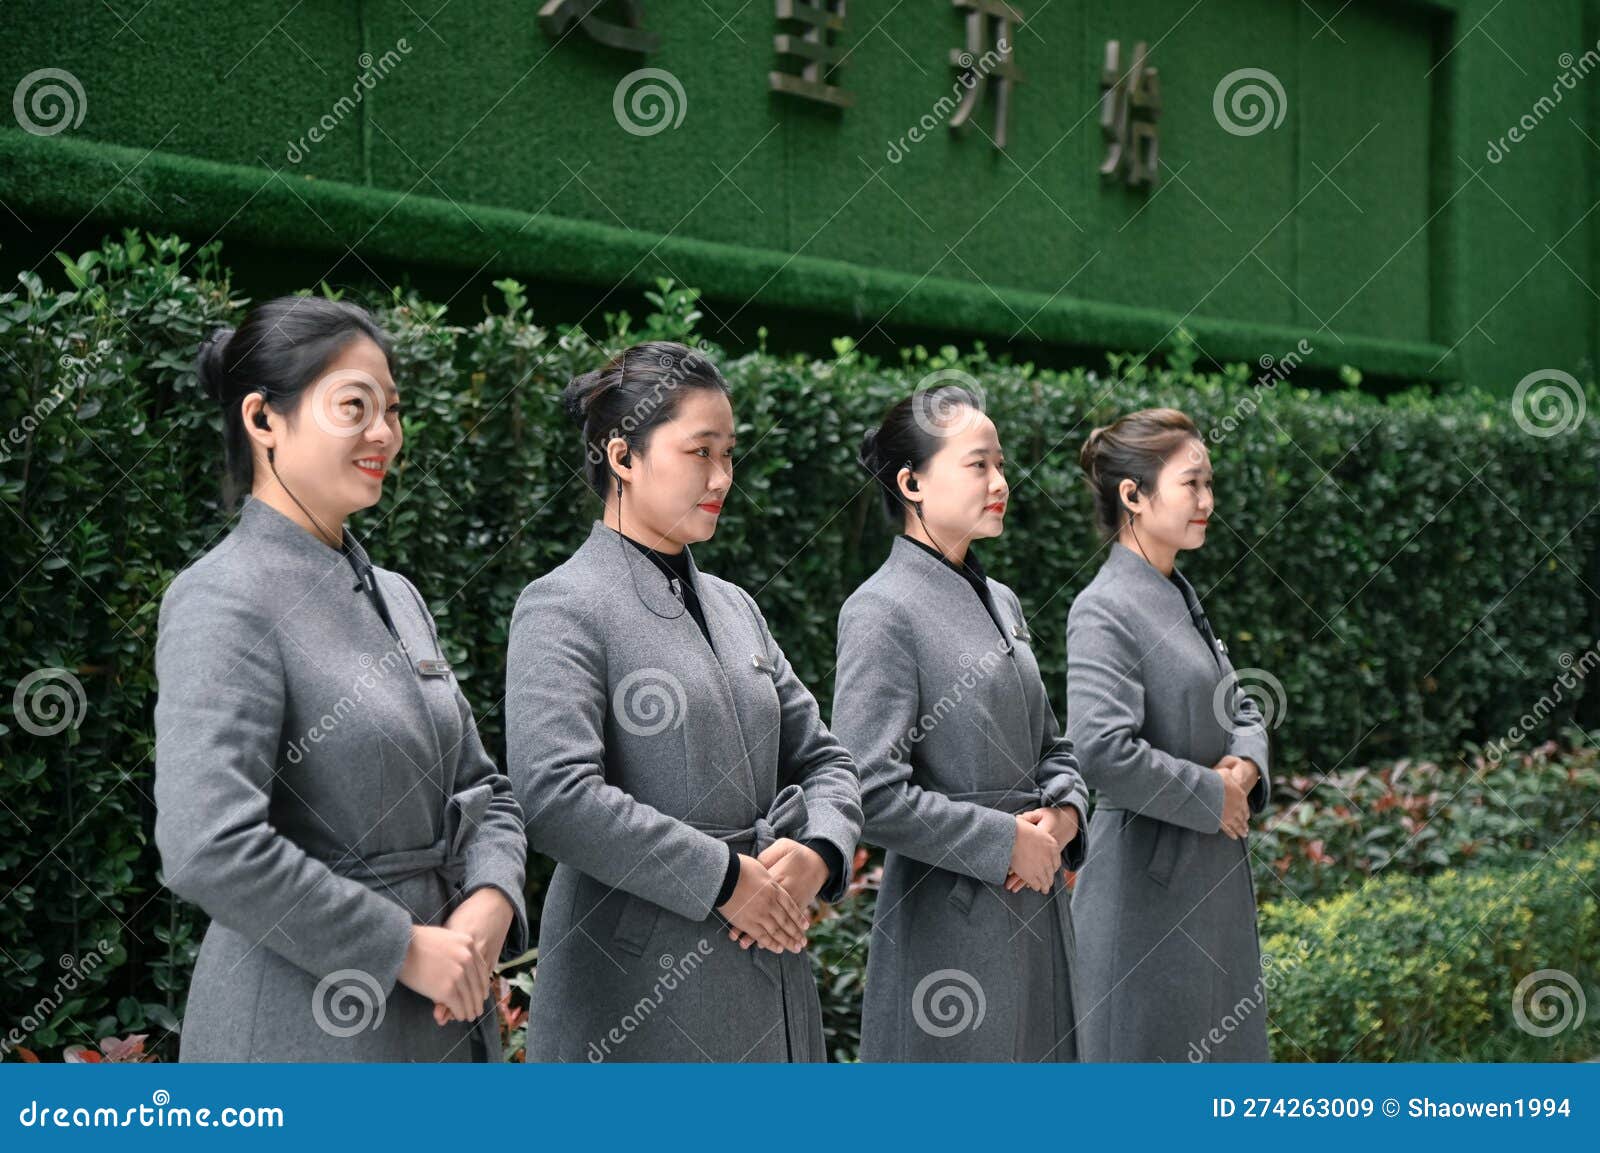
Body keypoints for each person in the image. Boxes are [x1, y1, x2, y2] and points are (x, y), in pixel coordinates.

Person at [154, 297, 527, 1061]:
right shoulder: (223, 597)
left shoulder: (397, 594)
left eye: (391, 408)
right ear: (263, 420)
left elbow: (487, 790)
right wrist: (400, 946)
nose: (385, 432)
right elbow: (207, 844)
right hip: (306, 1028)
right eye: (354, 405)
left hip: (447, 1019)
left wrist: (491, 899)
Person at [507, 341, 862, 1062]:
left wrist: (820, 851)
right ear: (622, 455)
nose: (722, 476)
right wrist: (726, 878)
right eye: (700, 451)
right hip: (639, 985)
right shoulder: (560, 605)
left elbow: (825, 757)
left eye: (729, 454)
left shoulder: (736, 606)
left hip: (772, 963)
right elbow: (554, 795)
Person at [833, 383, 1089, 1061]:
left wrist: (1064, 818)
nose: (1000, 481)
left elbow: (1055, 748)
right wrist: (1002, 840)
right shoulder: (880, 609)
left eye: (1000, 464)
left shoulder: (1000, 598)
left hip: (1038, 912)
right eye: (979, 464)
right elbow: (869, 790)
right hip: (951, 933)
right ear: (911, 481)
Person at [1066, 407, 1272, 1062]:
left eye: (1210, 483)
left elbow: (1242, 703)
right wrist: (1212, 793)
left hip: (1208, 880)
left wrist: (1245, 767)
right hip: (1147, 897)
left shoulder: (1178, 591)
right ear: (1133, 494)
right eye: (1192, 483)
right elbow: (1101, 749)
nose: (1208, 500)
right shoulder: (1104, 607)